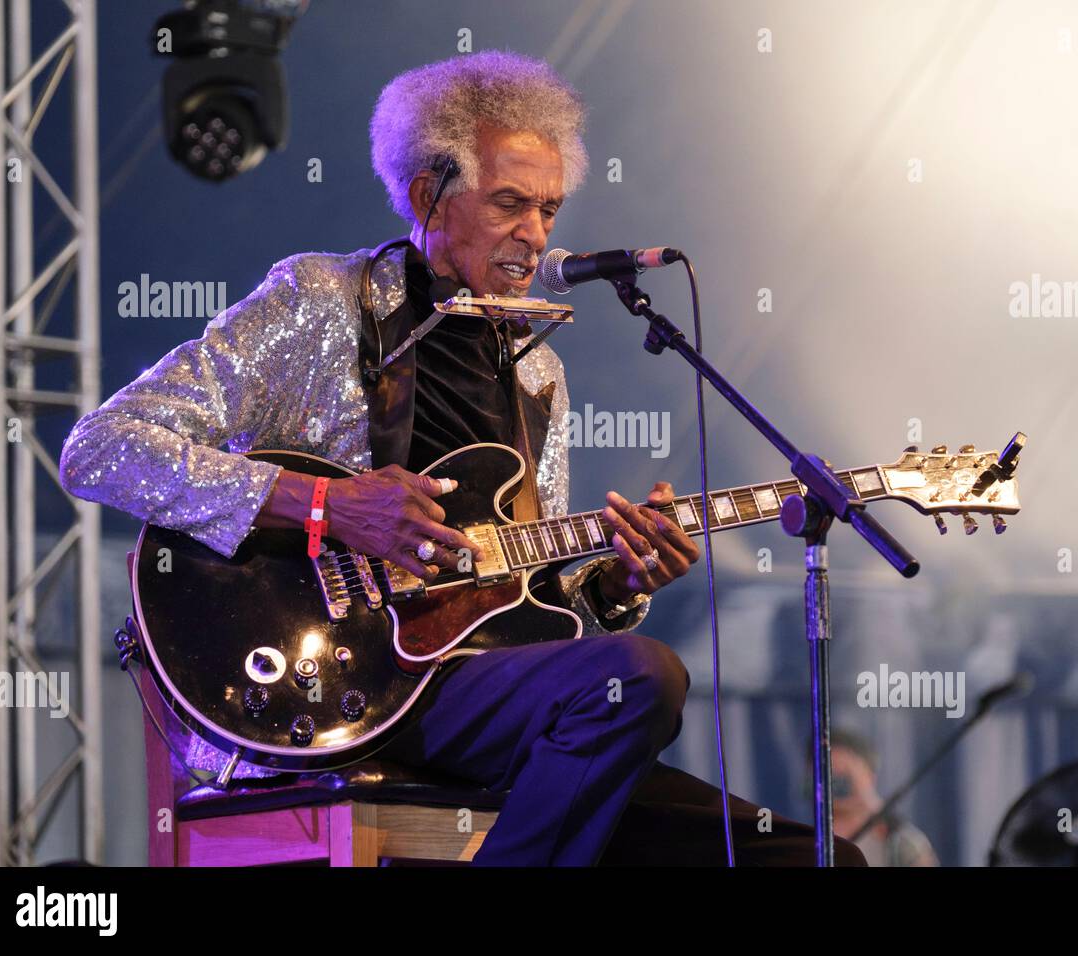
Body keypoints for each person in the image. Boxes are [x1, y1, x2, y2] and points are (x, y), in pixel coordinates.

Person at [61, 50, 864, 867]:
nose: (537, 234)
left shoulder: (538, 367)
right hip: (337, 674)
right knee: (639, 678)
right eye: (510, 203)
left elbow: (542, 604)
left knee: (814, 859)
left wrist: (617, 586)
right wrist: (326, 506)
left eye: (549, 208)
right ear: (427, 198)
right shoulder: (319, 302)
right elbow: (99, 450)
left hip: (481, 695)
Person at [825, 729, 938, 867]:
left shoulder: (901, 842)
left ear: (870, 776)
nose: (835, 783)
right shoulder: (804, 840)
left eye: (844, 772)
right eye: (827, 772)